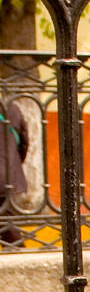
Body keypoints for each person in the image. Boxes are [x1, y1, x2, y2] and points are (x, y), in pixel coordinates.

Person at [0, 95, 28, 247]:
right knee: (8, 226)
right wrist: (13, 165)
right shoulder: (12, 108)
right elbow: (24, 142)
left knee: (8, 228)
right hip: (9, 177)